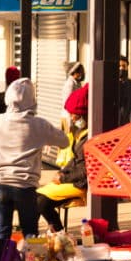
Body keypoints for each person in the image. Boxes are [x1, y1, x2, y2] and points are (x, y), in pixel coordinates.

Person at [0, 78, 68, 240]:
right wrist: (43, 139)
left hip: (1, 186)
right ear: (32, 100)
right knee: (30, 235)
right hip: (25, 187)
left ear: (8, 98)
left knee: (2, 233)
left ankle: (0, 257)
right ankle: (28, 257)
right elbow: (64, 141)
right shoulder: (40, 125)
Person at [37, 84, 89, 232]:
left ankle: (59, 235)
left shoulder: (89, 136)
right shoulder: (81, 133)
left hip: (81, 184)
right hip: (74, 180)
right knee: (37, 199)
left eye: (74, 114)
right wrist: (62, 172)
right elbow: (75, 159)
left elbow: (86, 169)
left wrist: (63, 178)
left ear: (83, 114)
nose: (71, 118)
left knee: (41, 202)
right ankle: (54, 234)